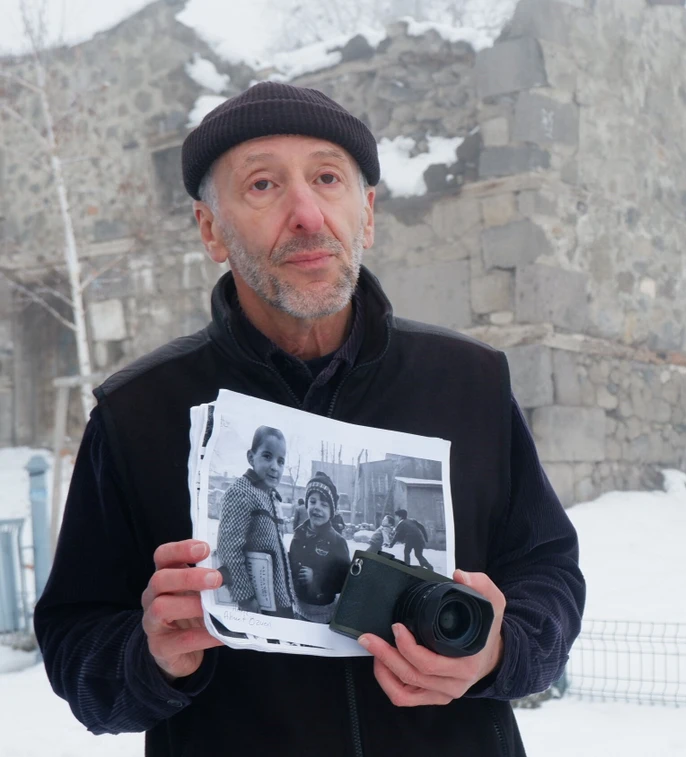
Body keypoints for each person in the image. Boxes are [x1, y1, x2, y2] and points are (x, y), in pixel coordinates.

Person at [35, 81, 585, 757]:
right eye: (262, 185)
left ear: (368, 213)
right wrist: (148, 656)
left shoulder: (470, 381)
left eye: (327, 177)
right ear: (211, 229)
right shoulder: (136, 412)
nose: (305, 212)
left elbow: (549, 571)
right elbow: (74, 645)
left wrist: (502, 647)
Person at [215, 425, 297, 617]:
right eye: (267, 456)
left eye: (281, 461)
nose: (275, 467)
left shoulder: (270, 495)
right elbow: (229, 549)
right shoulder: (241, 492)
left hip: (279, 597)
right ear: (251, 457)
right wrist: (246, 598)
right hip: (259, 605)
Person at [288, 472, 350, 624]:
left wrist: (315, 578)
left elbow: (344, 581)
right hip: (298, 607)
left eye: (324, 504)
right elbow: (292, 565)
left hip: (322, 613)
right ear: (307, 504)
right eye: (313, 501)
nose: (317, 508)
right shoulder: (298, 534)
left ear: (331, 511)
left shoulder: (337, 542)